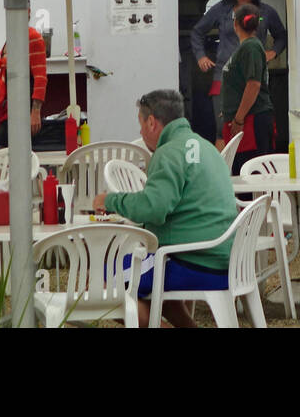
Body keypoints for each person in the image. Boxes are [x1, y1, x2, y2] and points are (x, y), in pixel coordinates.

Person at [94, 89, 237, 328]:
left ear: (151, 122)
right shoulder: (208, 149)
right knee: (153, 281)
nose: (140, 132)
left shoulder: (168, 153)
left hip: (191, 261)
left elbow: (153, 208)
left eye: (140, 124)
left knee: (100, 285)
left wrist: (109, 201)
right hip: (224, 259)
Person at [190, 0, 287, 145]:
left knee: (254, 126)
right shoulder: (221, 10)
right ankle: (224, 170)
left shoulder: (266, 12)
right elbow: (197, 32)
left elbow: (282, 35)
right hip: (223, 75)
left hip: (253, 75)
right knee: (223, 129)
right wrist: (200, 56)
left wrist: (273, 52)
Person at [219, 3, 276, 160]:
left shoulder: (251, 47)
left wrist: (238, 118)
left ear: (235, 24)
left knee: (249, 170)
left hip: (252, 120)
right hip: (243, 118)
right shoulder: (245, 47)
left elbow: (253, 85)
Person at [0, 25, 48, 147]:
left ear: (28, 12)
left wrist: (35, 112)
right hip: (9, 112)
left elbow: (40, 77)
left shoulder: (33, 37)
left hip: (23, 113)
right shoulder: (13, 37)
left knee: (9, 156)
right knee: (5, 156)